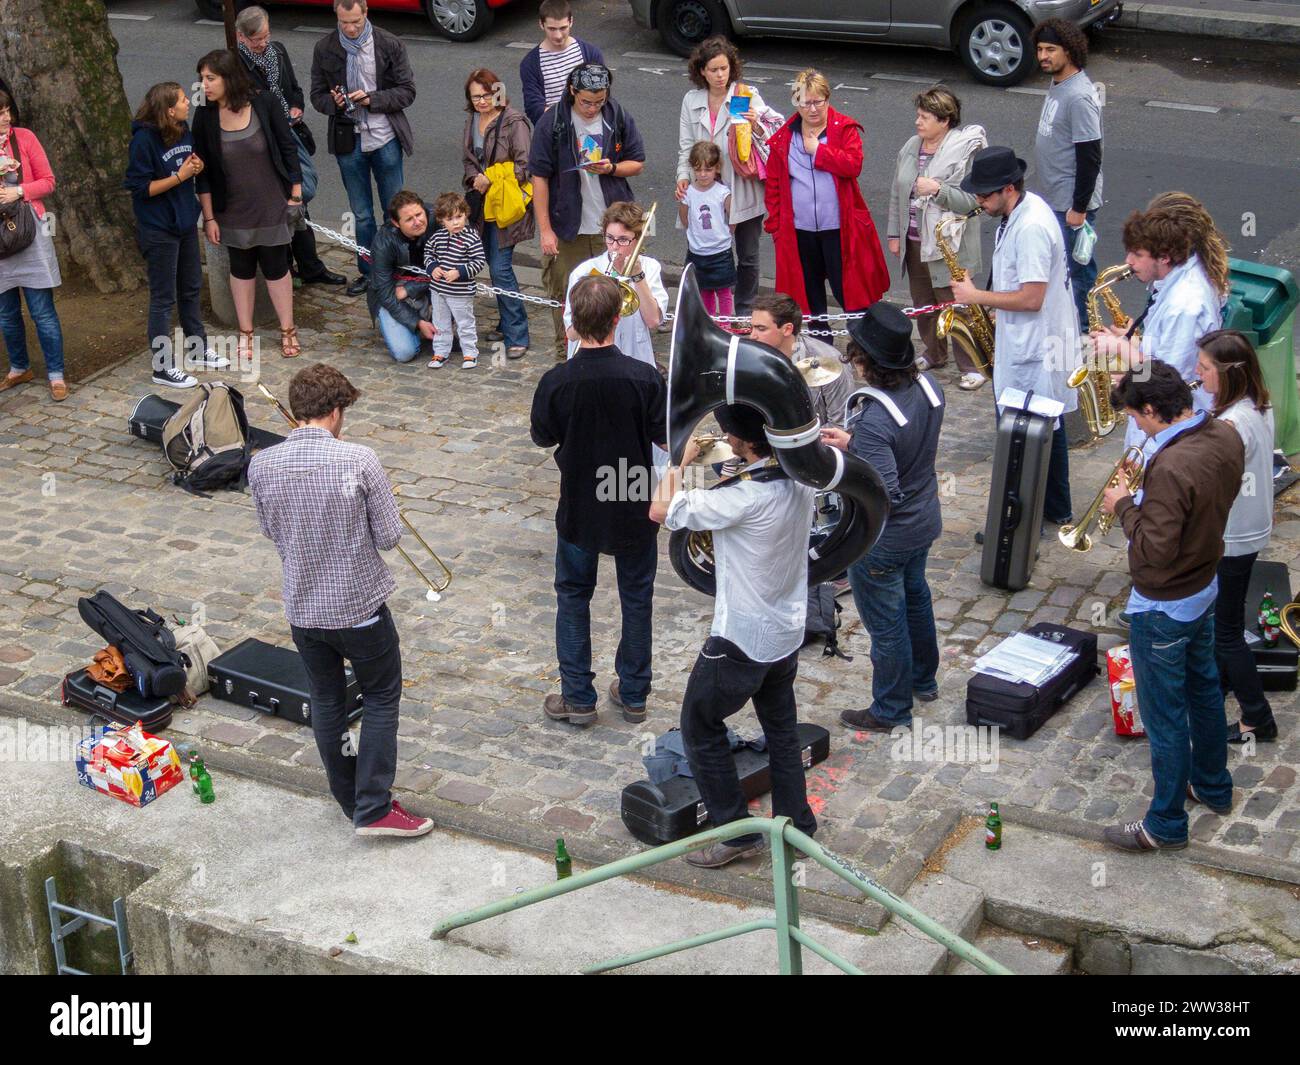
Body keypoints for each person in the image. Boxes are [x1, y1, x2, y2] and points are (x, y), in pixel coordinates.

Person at [248, 363, 433, 839]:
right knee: (381, 697)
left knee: (327, 701)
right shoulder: (360, 460)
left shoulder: (261, 462)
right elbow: (390, 536)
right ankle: (373, 807)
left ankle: (348, 797)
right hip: (359, 609)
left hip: (303, 609)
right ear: (334, 412)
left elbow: (269, 531)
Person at [650, 403, 818, 868]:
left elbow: (659, 508)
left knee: (699, 726)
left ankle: (735, 831)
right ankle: (797, 822)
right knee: (781, 732)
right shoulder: (802, 477)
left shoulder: (744, 498)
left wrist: (677, 464)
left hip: (740, 636)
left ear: (744, 443)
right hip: (785, 630)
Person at [1099, 362, 1244, 852]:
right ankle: (1212, 785)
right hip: (1204, 586)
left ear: (1152, 410)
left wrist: (1122, 503)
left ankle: (1165, 824)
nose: (1135, 427)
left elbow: (1154, 549)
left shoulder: (1171, 465)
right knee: (1204, 693)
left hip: (1163, 604)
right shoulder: (1223, 434)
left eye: (1137, 418)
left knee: (1164, 718)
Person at [530, 276, 667, 726]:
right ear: (616, 318)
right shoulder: (644, 377)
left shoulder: (558, 380)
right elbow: (663, 434)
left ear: (575, 319)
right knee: (636, 597)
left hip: (581, 502)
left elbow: (541, 435)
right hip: (633, 497)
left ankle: (577, 696)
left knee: (572, 596)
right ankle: (633, 693)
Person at [821, 303, 944, 732]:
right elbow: (907, 443)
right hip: (925, 519)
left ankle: (891, 710)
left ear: (864, 360)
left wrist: (848, 455)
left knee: (887, 626)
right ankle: (923, 680)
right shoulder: (930, 387)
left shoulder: (873, 421)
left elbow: (884, 492)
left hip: (886, 538)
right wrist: (857, 444)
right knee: (917, 598)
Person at [950, 146, 1079, 531]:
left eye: (985, 195)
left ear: (1008, 188)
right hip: (1032, 341)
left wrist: (977, 297)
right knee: (1046, 427)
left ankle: (1022, 523)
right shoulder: (1021, 210)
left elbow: (1032, 297)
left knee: (1020, 436)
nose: (979, 201)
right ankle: (1057, 508)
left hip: (1035, 347)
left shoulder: (1032, 226)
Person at [1092, 195, 1227, 457]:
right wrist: (1136, 345)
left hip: (1169, 433)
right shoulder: (1178, 280)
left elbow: (1169, 382)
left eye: (1138, 254)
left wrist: (1121, 349)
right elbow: (1168, 354)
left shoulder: (1185, 305)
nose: (1128, 261)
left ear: (1164, 257)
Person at [529, 63, 646, 361]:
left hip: (611, 226)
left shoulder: (616, 115)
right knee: (565, 295)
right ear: (572, 91)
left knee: (615, 295)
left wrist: (612, 168)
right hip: (568, 229)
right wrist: (545, 229)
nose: (593, 108)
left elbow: (638, 162)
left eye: (599, 101)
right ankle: (566, 358)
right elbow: (539, 177)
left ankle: (614, 356)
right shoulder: (552, 121)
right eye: (586, 102)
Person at [193, 49, 304, 361]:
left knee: (276, 266)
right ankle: (246, 332)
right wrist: (209, 217)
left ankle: (287, 329)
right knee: (240, 268)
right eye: (202, 79)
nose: (205, 85)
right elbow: (201, 173)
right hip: (232, 209)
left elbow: (287, 146)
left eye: (210, 78)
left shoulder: (264, 103)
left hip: (270, 204)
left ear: (229, 78)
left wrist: (295, 193)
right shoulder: (204, 115)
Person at [1196, 330, 1279, 745]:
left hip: (1233, 536)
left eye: (1206, 368)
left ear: (1227, 373)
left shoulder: (1231, 424)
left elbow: (1211, 487)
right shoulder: (1257, 406)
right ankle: (1218, 685)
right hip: (1251, 527)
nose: (1199, 373)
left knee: (1226, 630)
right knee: (1222, 618)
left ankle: (1257, 717)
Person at [763, 69, 888, 321]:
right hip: (801, 230)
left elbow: (853, 165)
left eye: (817, 101)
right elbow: (774, 185)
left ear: (827, 100)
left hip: (838, 230)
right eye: (805, 103)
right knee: (810, 297)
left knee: (849, 294)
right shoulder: (785, 138)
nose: (812, 109)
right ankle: (821, 345)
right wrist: (777, 226)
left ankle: (861, 347)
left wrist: (819, 150)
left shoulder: (844, 129)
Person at [310, 0, 416, 297]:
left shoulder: (389, 43)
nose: (351, 28)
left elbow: (408, 91)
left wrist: (372, 99)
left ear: (366, 14)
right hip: (349, 139)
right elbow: (317, 96)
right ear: (337, 17)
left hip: (384, 137)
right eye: (345, 22)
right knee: (362, 215)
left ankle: (397, 270)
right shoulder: (325, 48)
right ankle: (369, 273)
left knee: (394, 210)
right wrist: (336, 103)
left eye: (356, 21)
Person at [236, 5, 346, 288]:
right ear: (241, 37)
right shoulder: (235, 64)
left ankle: (309, 266)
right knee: (279, 202)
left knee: (299, 199)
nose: (262, 44)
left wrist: (296, 107)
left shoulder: (278, 51)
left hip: (289, 134)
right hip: (263, 142)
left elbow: (293, 89)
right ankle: (285, 267)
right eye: (256, 39)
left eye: (265, 36)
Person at [125, 82, 226, 390]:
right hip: (159, 229)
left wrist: (196, 166)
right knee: (163, 298)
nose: (188, 102)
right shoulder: (143, 141)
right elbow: (140, 188)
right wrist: (178, 177)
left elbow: (189, 163)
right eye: (183, 100)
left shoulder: (183, 131)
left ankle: (197, 349)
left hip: (184, 223)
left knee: (191, 288)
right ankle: (162, 367)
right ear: (169, 110)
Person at [674, 36, 782, 323]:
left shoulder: (745, 95)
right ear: (702, 72)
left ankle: (744, 312)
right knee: (700, 250)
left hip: (741, 185)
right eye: (713, 70)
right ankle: (699, 310)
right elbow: (686, 144)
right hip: (702, 185)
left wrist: (756, 124)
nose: (720, 75)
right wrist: (683, 177)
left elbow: (776, 137)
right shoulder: (691, 99)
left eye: (724, 68)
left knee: (747, 254)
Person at [886, 85, 986, 390]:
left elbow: (972, 201)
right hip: (915, 241)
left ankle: (972, 365)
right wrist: (894, 233)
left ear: (945, 120)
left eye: (925, 117)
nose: (918, 122)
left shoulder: (965, 152)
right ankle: (934, 352)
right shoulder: (911, 147)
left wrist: (938, 189)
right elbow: (897, 192)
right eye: (918, 115)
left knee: (954, 304)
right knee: (923, 303)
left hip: (948, 246)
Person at [1031, 18, 1103, 326]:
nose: (1043, 56)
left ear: (1069, 51)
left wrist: (1079, 208)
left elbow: (1090, 157)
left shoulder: (1079, 96)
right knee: (1062, 269)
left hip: (1071, 204)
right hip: (1056, 198)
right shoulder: (1060, 83)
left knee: (1079, 273)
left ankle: (1087, 331)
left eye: (1050, 49)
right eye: (1039, 49)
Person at [462, 68, 534, 360]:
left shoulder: (514, 122)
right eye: (475, 97)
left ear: (497, 92)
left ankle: (518, 333)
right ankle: (506, 323)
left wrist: (490, 176)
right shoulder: (472, 120)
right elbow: (467, 160)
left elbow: (527, 166)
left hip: (508, 206)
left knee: (500, 267)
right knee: (494, 265)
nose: (481, 102)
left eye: (485, 95)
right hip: (482, 206)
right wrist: (474, 179)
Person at [0, 89, 67, 401]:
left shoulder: (24, 138)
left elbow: (49, 181)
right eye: (0, 114)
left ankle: (56, 373)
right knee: (6, 312)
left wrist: (19, 192)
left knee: (42, 310)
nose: (6, 118)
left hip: (29, 232)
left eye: (7, 111)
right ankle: (19, 367)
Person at [563, 201, 666, 366]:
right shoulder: (584, 271)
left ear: (637, 239)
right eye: (609, 238)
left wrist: (639, 277)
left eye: (623, 240)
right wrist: (592, 307)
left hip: (635, 360)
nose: (614, 247)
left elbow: (653, 321)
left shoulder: (650, 267)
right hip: (592, 364)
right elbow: (572, 334)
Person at [748, 293, 855, 430]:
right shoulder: (755, 356)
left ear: (787, 329)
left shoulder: (829, 361)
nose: (752, 336)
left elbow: (841, 424)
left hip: (813, 443)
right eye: (752, 327)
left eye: (761, 329)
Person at [367, 190, 437, 363]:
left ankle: (432, 321)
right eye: (409, 219)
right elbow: (384, 293)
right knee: (404, 353)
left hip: (423, 286)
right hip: (395, 294)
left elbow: (455, 268)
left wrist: (410, 288)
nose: (417, 222)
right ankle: (417, 327)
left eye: (419, 214)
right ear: (396, 223)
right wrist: (418, 323)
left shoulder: (439, 220)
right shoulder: (384, 241)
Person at [424, 192, 485, 370]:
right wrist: (433, 267)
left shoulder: (471, 238)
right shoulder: (437, 237)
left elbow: (478, 261)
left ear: (466, 214)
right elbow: (429, 254)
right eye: (450, 219)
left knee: (464, 322)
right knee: (440, 322)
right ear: (442, 220)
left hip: (460, 291)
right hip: (438, 290)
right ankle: (441, 351)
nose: (456, 222)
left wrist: (459, 272)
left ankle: (470, 352)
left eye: (459, 217)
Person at [519, 0, 605, 126]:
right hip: (554, 133)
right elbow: (534, 108)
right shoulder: (530, 64)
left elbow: (602, 95)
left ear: (571, 22)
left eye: (563, 28)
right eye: (552, 29)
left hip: (590, 129)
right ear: (541, 25)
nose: (558, 35)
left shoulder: (591, 54)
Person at [679, 141, 736, 321]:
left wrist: (727, 233)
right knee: (704, 290)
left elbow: (732, 216)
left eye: (708, 170)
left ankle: (725, 322)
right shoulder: (688, 193)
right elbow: (684, 217)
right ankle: (709, 321)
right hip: (698, 251)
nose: (703, 174)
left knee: (724, 290)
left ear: (716, 169)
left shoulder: (722, 192)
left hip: (720, 251)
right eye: (698, 170)